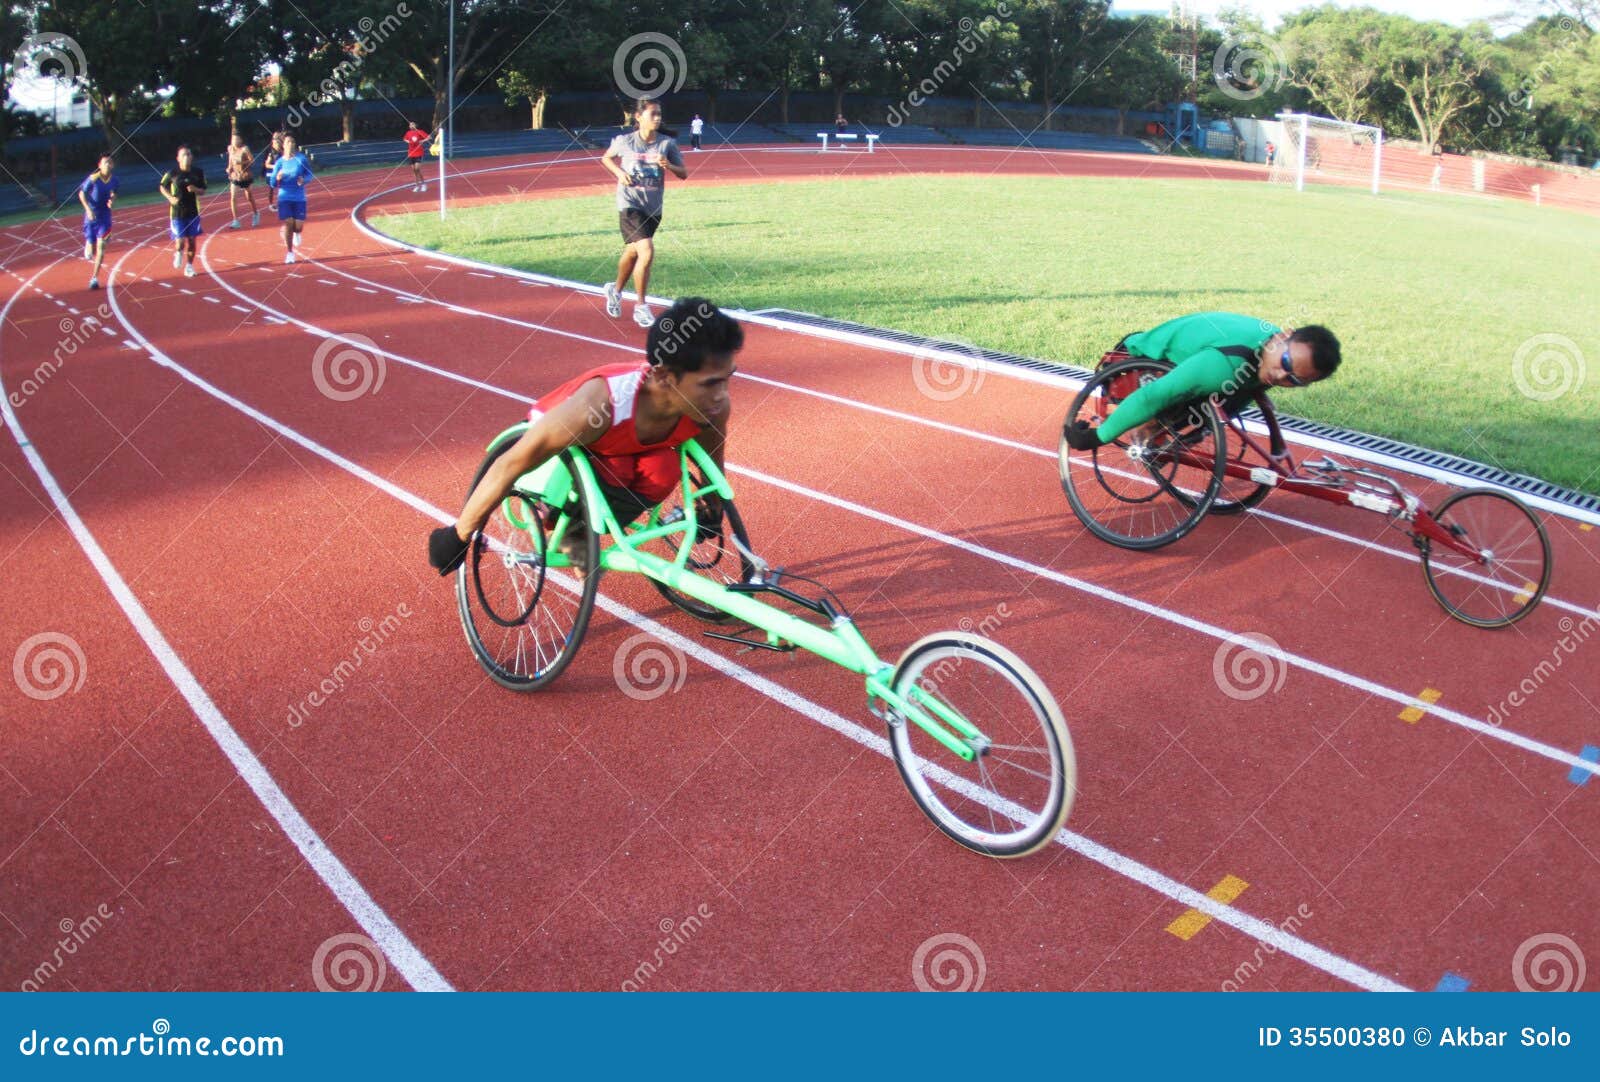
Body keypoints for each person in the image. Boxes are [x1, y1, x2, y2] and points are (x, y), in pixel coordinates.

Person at [427, 297, 743, 577]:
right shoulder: (599, 405)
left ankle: (588, 525)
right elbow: (510, 463)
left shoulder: (713, 410)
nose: (721, 396)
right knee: (617, 468)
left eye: (727, 380)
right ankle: (570, 530)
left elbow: (713, 459)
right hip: (563, 451)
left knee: (664, 469)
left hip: (626, 451)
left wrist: (713, 509)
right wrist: (458, 535)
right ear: (662, 376)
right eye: (710, 384)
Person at [1062, 312, 1341, 451]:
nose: (1281, 377)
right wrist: (1097, 437)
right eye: (1286, 365)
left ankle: (1167, 426)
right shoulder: (1224, 366)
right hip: (1142, 351)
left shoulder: (1272, 357)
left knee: (1237, 391)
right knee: (1197, 389)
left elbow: (1240, 397)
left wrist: (1204, 426)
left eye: (1294, 380)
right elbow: (1153, 396)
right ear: (1283, 336)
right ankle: (1150, 427)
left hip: (1211, 363)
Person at [601, 99, 687, 328]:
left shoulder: (666, 144)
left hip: (653, 208)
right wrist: (619, 173)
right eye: (653, 114)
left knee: (632, 252)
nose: (658, 118)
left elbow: (684, 173)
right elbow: (607, 157)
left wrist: (668, 165)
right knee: (646, 251)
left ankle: (615, 290)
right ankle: (641, 306)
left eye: (659, 114)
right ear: (638, 117)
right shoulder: (625, 141)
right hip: (629, 204)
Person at [159, 145, 207, 278]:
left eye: (189, 154)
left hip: (193, 211)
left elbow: (203, 190)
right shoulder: (172, 173)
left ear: (192, 157)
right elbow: (162, 186)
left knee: (192, 241)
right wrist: (170, 198)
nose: (187, 157)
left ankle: (189, 267)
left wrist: (195, 190)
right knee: (180, 242)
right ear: (178, 158)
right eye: (184, 155)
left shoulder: (198, 172)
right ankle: (178, 252)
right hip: (177, 213)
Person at [268, 133, 314, 264]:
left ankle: (297, 233)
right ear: (283, 145)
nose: (291, 144)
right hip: (284, 197)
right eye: (288, 142)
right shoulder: (279, 163)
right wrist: (277, 178)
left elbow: (309, 174)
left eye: (293, 142)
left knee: (298, 226)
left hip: (299, 197)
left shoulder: (301, 159)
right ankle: (289, 252)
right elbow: (272, 183)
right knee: (288, 223)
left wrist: (303, 180)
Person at [77, 154, 117, 291]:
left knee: (102, 247)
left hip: (105, 216)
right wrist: (88, 209)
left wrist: (112, 199)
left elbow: (114, 192)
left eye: (110, 162)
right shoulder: (93, 178)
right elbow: (81, 193)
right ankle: (88, 242)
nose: (108, 165)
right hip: (92, 216)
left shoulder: (114, 180)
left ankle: (94, 278)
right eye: (105, 162)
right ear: (99, 165)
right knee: (92, 249)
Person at [223, 134, 260, 229]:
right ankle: (236, 220)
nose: (234, 141)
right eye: (233, 139)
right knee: (233, 197)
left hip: (246, 176)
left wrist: (241, 163)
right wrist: (229, 169)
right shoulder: (231, 149)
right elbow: (230, 163)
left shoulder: (245, 149)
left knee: (249, 197)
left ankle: (256, 213)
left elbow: (252, 161)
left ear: (241, 140)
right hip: (235, 176)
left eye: (237, 139)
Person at [403, 120, 430, 192]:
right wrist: (407, 141)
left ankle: (424, 184)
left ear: (415, 125)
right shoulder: (408, 133)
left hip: (418, 153)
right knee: (414, 170)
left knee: (417, 168)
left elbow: (429, 137)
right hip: (411, 153)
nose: (411, 126)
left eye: (413, 124)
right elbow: (404, 139)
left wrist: (422, 141)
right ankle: (417, 186)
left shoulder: (419, 131)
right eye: (410, 125)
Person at [263, 131, 284, 211]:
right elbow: (267, 164)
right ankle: (271, 204)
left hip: (280, 173)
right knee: (271, 189)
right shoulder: (271, 153)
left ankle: (281, 204)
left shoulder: (282, 152)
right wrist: (275, 166)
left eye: (279, 143)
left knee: (282, 188)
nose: (277, 145)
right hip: (271, 173)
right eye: (276, 143)